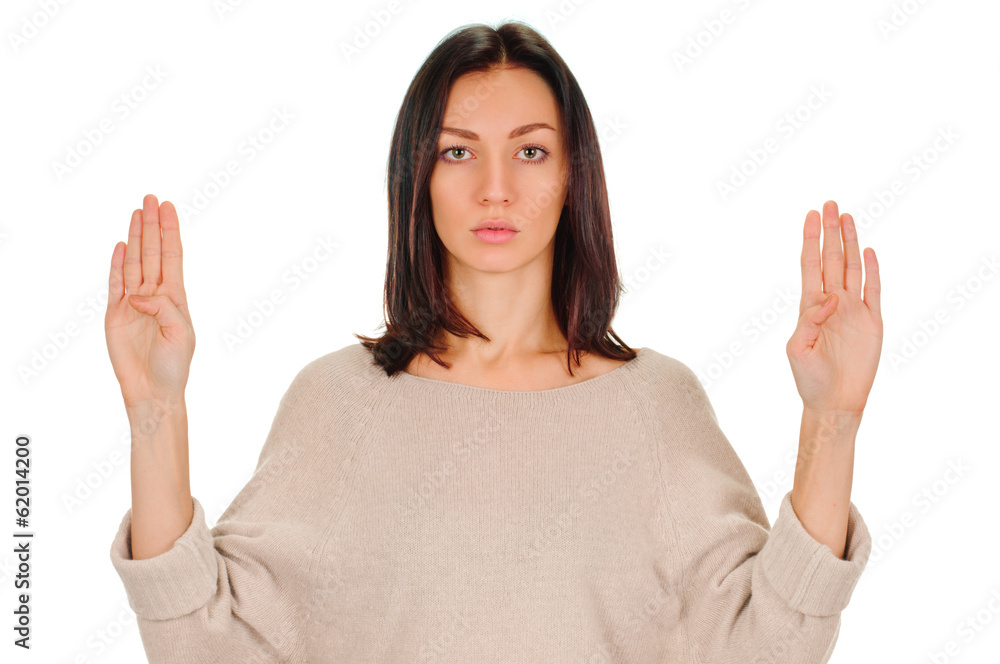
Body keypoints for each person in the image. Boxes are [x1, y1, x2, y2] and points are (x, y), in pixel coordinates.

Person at [105, 20, 882, 664]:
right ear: (416, 176)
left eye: (530, 150)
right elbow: (202, 641)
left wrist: (833, 419)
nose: (496, 187)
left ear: (574, 176)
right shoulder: (338, 401)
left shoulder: (655, 405)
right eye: (458, 150)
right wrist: (154, 408)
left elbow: (769, 645)